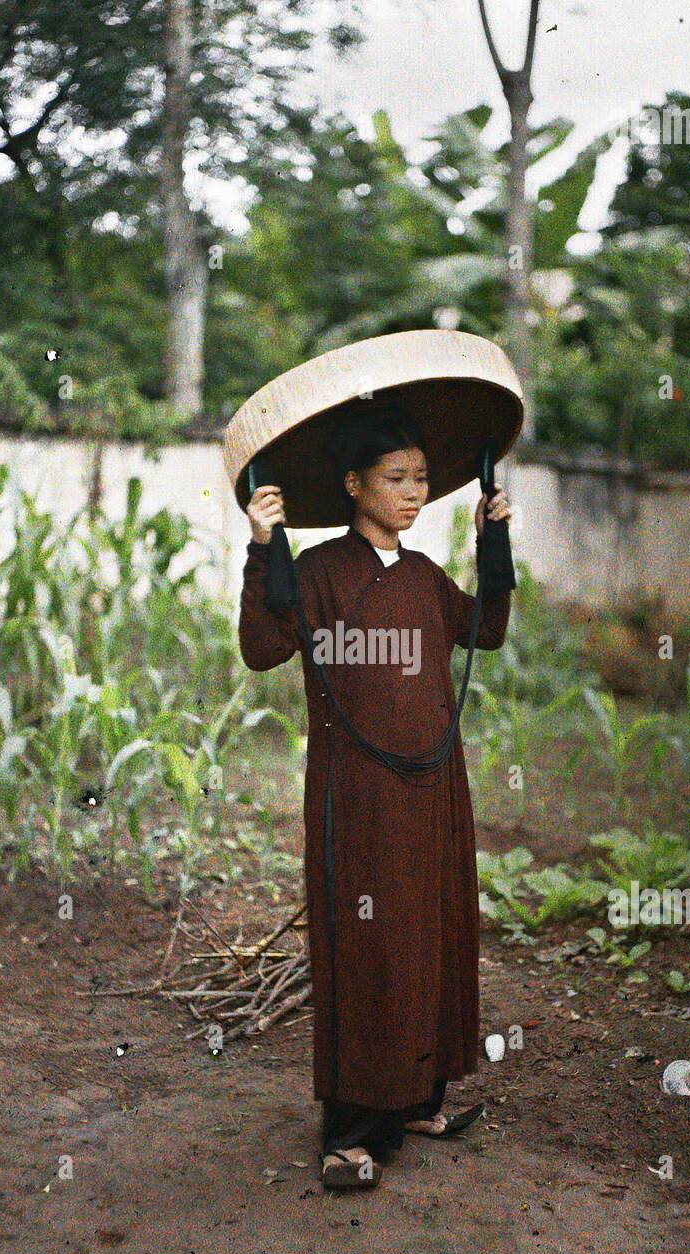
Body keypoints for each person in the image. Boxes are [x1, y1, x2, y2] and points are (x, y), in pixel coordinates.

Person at [237, 401, 512, 1190]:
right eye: (396, 478)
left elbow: (485, 631)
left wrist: (495, 538)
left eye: (422, 478)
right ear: (355, 485)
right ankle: (351, 1134)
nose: (413, 493)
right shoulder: (319, 572)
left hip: (432, 788)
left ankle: (420, 1098)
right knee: (371, 946)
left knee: (431, 931)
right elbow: (262, 649)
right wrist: (263, 548)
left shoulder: (425, 578)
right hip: (358, 800)